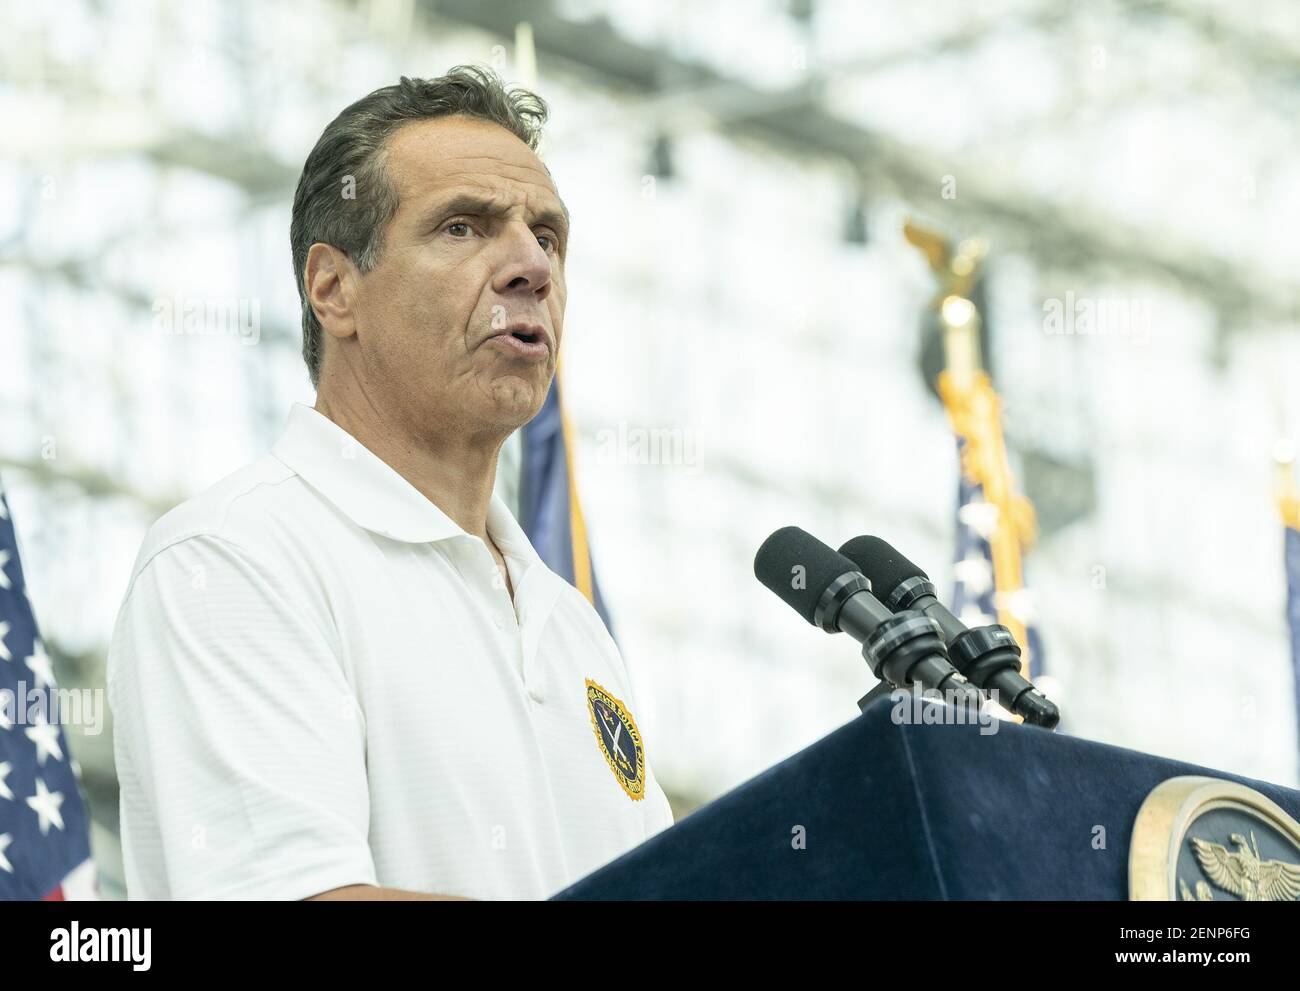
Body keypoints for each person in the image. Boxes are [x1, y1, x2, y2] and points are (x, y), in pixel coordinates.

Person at [107, 66, 674, 901]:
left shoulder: (573, 627)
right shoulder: (233, 559)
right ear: (334, 289)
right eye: (463, 228)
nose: (531, 267)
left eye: (547, 237)